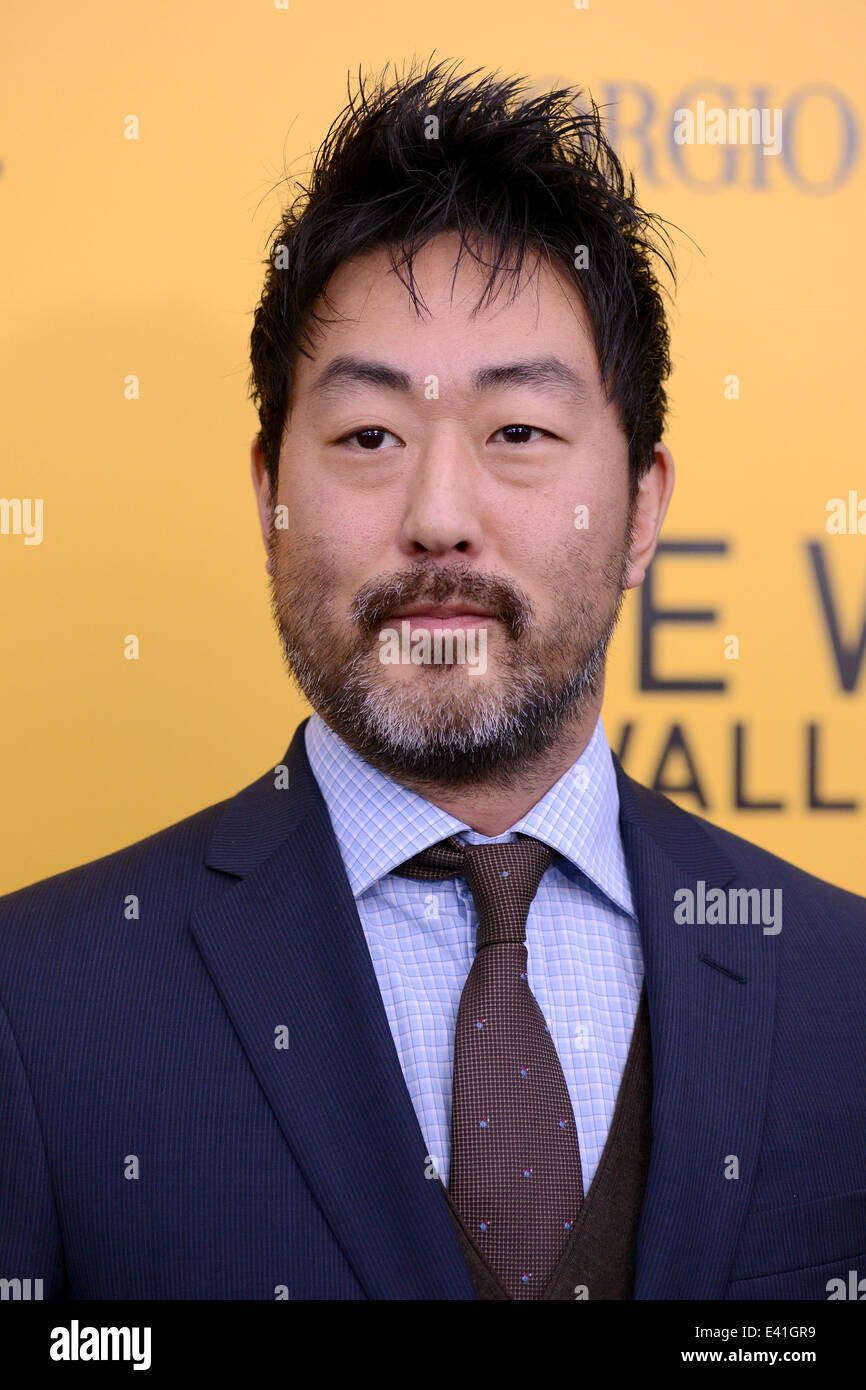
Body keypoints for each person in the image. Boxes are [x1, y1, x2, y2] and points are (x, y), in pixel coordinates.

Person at [1, 60, 864, 1302]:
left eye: (518, 432)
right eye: (367, 438)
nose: (438, 514)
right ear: (269, 497)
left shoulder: (836, 982)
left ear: (639, 509)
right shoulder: (41, 1005)